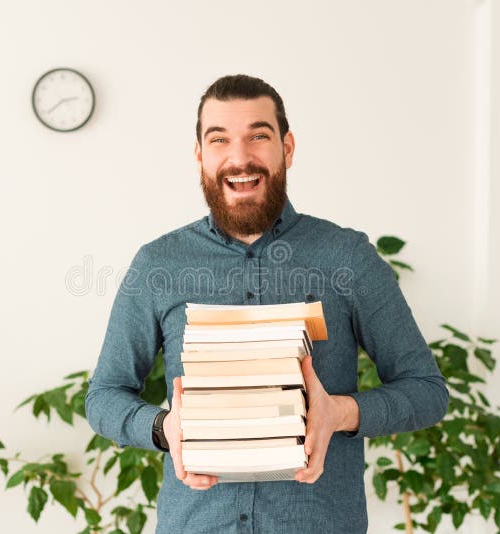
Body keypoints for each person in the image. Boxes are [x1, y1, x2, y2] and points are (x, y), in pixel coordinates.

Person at [85, 74, 449, 533]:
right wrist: (164, 428)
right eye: (219, 140)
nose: (240, 158)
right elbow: (104, 396)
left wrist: (340, 412)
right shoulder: (158, 264)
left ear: (288, 148)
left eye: (259, 136)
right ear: (199, 154)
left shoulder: (348, 256)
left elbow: (427, 391)